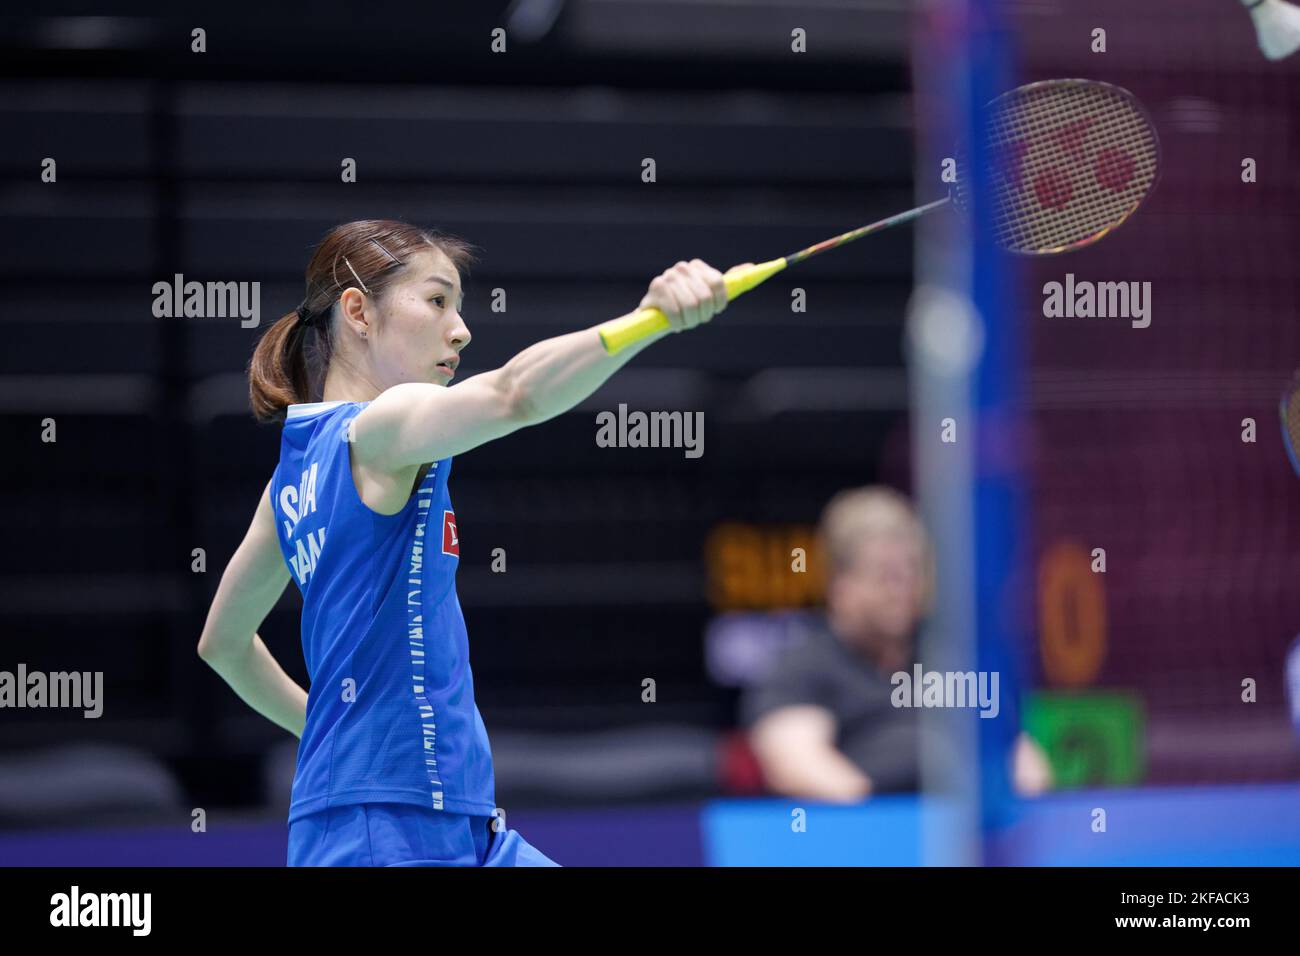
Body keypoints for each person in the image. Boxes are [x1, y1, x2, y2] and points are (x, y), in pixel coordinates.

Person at [197, 218, 737, 865]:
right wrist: (650, 320)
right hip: (383, 835)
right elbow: (514, 394)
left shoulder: (292, 476)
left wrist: (335, 732)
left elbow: (223, 643)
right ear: (358, 312)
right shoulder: (382, 426)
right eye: (437, 301)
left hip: (450, 823)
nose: (461, 328)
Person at [741, 486, 1052, 802]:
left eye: (912, 572)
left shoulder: (952, 661)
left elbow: (1021, 761)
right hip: (854, 839)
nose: (901, 589)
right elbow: (795, 764)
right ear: (839, 584)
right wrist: (885, 823)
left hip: (960, 836)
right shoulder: (804, 666)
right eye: (885, 576)